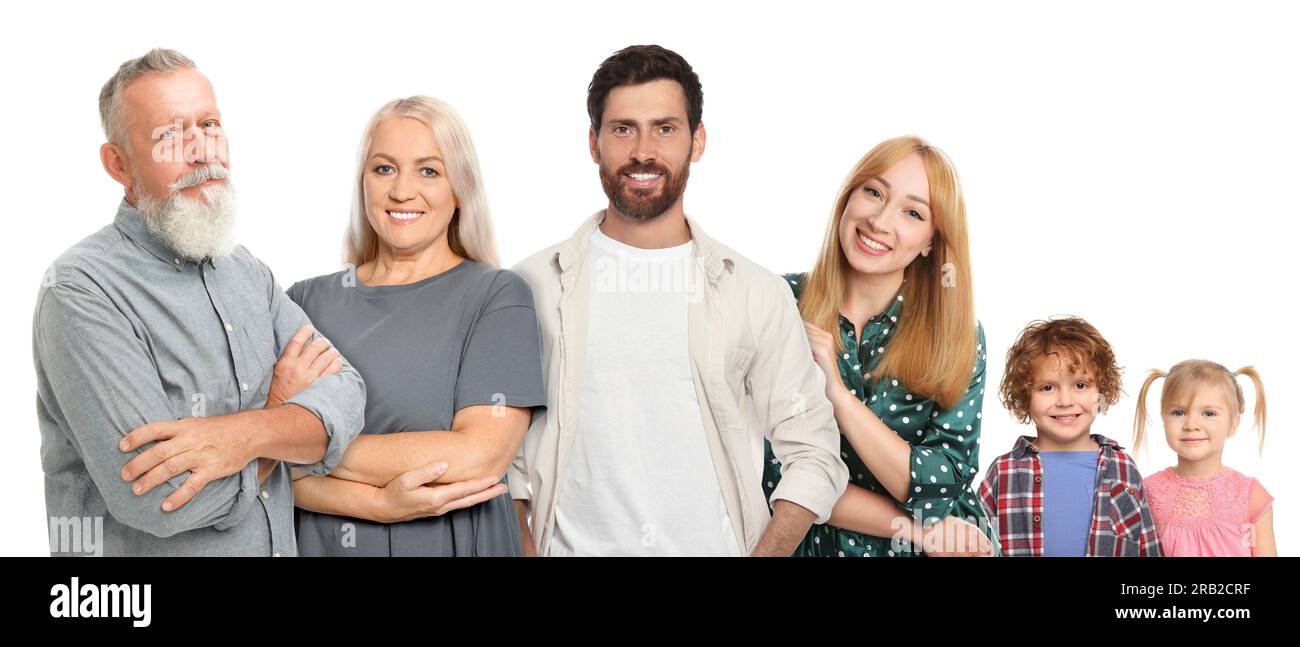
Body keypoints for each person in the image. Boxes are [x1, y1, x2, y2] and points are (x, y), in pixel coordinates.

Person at [510, 44, 847, 557]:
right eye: (623, 129)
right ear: (594, 144)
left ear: (697, 141)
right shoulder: (529, 288)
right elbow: (502, 461)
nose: (643, 151)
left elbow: (814, 451)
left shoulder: (755, 292)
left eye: (665, 128)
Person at [35, 48, 366, 556]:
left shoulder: (247, 272)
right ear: (118, 163)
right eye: (170, 134)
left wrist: (243, 436)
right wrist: (282, 415)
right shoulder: (81, 289)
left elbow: (347, 394)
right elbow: (162, 498)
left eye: (209, 125)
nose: (201, 151)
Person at [288, 96, 545, 556]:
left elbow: (478, 456)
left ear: (460, 188)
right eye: (384, 168)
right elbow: (270, 469)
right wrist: (379, 503)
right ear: (362, 182)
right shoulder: (305, 302)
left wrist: (312, 447)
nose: (403, 191)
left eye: (429, 171)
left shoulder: (497, 296)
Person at [764, 136, 998, 557]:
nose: (880, 221)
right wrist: (918, 529)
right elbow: (771, 471)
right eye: (873, 192)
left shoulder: (957, 334)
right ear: (848, 197)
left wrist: (836, 395)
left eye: (912, 212)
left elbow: (940, 485)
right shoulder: (777, 303)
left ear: (930, 241)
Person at [979, 317, 1161, 556]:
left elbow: (1148, 546)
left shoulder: (1122, 467)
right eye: (1047, 388)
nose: (1065, 401)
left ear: (1101, 392)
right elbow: (973, 541)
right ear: (1025, 397)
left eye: (1081, 385)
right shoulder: (1004, 471)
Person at [1133, 360, 1275, 556]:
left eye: (1209, 413)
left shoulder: (1251, 495)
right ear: (1163, 418)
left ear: (1233, 423)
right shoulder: (1145, 493)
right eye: (1179, 412)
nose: (1192, 424)